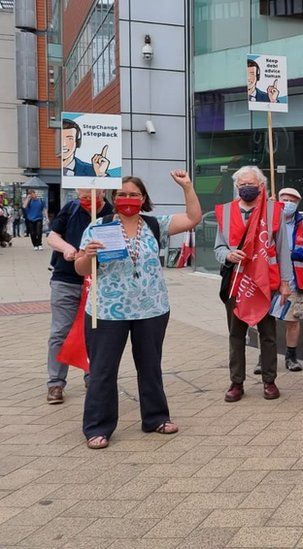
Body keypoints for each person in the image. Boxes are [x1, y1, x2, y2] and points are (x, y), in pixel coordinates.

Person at [74, 171, 202, 449]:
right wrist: (88, 256)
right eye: (122, 194)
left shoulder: (155, 225)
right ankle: (98, 426)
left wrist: (187, 186)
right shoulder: (98, 227)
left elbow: (193, 218)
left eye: (134, 194)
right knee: (103, 370)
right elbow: (80, 268)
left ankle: (156, 418)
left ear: (143, 199)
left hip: (151, 308)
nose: (127, 199)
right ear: (113, 197)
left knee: (150, 367)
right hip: (107, 311)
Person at [214, 166, 294, 402]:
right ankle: (236, 383)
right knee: (236, 334)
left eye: (250, 184)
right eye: (241, 185)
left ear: (261, 186)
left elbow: (282, 249)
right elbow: (219, 248)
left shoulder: (272, 211)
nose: (245, 188)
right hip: (236, 282)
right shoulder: (226, 212)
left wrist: (285, 282)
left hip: (264, 282)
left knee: (268, 334)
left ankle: (269, 381)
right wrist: (228, 255)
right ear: (236, 187)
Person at [45, 190, 114, 404]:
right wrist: (66, 248)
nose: (89, 197)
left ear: (103, 190)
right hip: (65, 279)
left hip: (96, 281)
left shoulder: (111, 214)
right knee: (60, 331)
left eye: (94, 193)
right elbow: (52, 236)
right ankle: (55, 383)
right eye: (83, 193)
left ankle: (92, 377)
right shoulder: (71, 208)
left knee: (93, 332)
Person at [273, 187, 303, 373]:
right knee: (265, 321)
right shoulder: (268, 221)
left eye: (292, 200)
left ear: (298, 203)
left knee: (293, 320)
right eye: (284, 199)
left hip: (295, 282)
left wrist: (293, 254)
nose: (287, 203)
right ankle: (264, 358)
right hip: (269, 281)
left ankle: (291, 357)